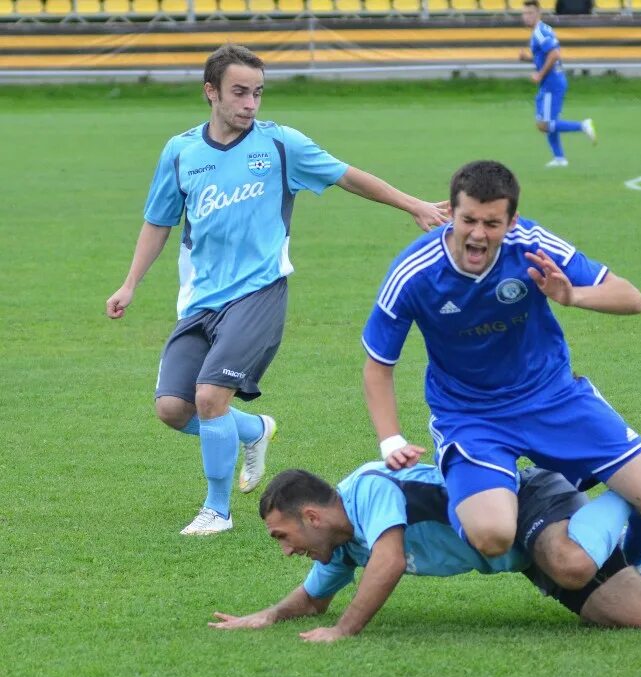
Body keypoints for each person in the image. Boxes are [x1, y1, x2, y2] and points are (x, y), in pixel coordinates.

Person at [105, 44, 448, 536]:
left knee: (209, 398)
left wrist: (412, 205)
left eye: (258, 93)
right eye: (239, 92)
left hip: (259, 294)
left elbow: (348, 176)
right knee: (172, 409)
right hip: (200, 301)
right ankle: (254, 429)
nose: (250, 103)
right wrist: (130, 283)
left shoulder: (280, 145)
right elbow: (158, 221)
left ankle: (216, 511)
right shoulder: (181, 152)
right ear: (211, 92)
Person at [361, 160, 641, 590]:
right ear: (449, 212)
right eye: (468, 219)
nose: (477, 234)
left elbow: (631, 297)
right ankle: (469, 485)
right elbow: (379, 365)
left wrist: (571, 295)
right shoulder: (414, 272)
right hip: (471, 417)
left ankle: (630, 566)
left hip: (553, 398)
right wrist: (391, 439)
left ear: (511, 222)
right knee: (491, 536)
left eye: (492, 223)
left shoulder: (532, 246)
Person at [207, 463, 641, 642]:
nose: (285, 549)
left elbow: (391, 561)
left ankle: (635, 477)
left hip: (527, 500)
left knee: (572, 562)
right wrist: (265, 615)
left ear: (311, 515)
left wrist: (344, 632)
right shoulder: (342, 544)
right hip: (523, 553)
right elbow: (313, 593)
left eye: (282, 535)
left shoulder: (368, 492)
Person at [519, 0, 596, 167]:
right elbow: (545, 56)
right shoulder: (542, 30)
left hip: (551, 83)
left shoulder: (540, 32)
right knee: (549, 122)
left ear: (539, 14)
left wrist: (539, 74)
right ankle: (559, 158)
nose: (526, 17)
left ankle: (582, 126)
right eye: (524, 13)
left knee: (544, 125)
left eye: (530, 13)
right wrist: (528, 59)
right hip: (553, 81)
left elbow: (554, 55)